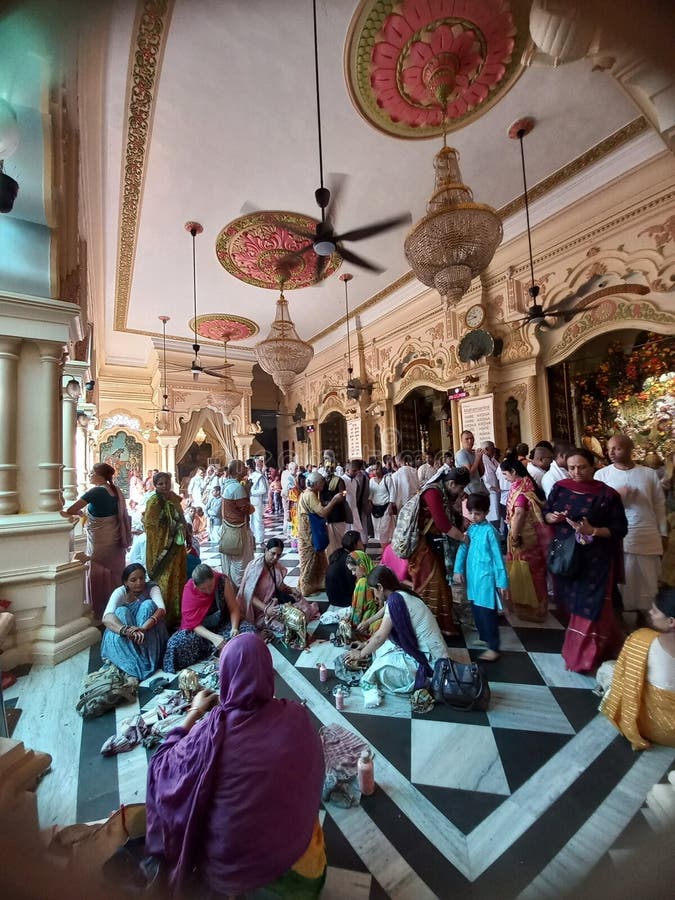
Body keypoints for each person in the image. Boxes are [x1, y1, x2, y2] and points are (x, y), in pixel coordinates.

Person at [146, 634, 326, 898]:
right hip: (307, 875)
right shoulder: (297, 716)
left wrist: (194, 713)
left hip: (237, 884)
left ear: (226, 677)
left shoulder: (211, 733)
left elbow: (161, 769)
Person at [544, 447, 628, 673]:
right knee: (570, 605)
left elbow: (619, 529)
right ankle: (607, 646)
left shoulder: (608, 495)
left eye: (582, 467)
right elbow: (547, 512)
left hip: (596, 561)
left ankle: (581, 659)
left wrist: (593, 530)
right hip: (566, 558)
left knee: (589, 606)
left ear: (593, 467)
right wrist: (551, 517)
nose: (576, 472)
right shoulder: (560, 488)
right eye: (571, 468)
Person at [594, 434, 667, 624]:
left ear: (629, 449)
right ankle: (626, 618)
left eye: (616, 448)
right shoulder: (602, 475)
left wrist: (663, 533)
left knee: (649, 578)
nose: (611, 452)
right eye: (609, 448)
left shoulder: (648, 474)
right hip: (619, 536)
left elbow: (659, 505)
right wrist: (617, 496)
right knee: (624, 578)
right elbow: (597, 508)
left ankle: (650, 615)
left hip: (646, 533)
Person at [345, 565, 448, 695]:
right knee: (380, 649)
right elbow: (384, 613)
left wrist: (360, 654)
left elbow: (380, 637)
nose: (375, 595)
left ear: (380, 587)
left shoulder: (395, 600)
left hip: (432, 661)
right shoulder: (399, 593)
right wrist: (365, 644)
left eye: (374, 591)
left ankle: (426, 679)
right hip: (431, 651)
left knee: (380, 670)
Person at [601, 586, 675, 750]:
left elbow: (628, 683)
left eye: (655, 611)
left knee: (608, 669)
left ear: (671, 621)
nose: (650, 613)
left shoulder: (642, 640)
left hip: (659, 726)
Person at [61, 462, 132, 620]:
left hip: (100, 544)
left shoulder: (95, 492)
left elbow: (70, 510)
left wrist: (80, 512)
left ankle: (101, 611)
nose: (89, 475)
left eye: (91, 472)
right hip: (115, 543)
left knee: (98, 573)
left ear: (99, 475)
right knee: (115, 574)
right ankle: (118, 608)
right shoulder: (116, 490)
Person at [407, 466, 469, 637]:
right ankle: (426, 625)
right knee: (431, 583)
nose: (461, 492)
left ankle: (442, 623)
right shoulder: (433, 492)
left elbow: (447, 515)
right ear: (451, 483)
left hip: (432, 544)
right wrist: (463, 538)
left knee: (440, 582)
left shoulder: (442, 491)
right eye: (460, 488)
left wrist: (460, 520)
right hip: (422, 547)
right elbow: (443, 524)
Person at [453, 494, 509, 661]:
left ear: (486, 512)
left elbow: (498, 559)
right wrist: (458, 570)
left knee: (486, 611)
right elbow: (463, 549)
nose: (473, 517)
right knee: (476, 610)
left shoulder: (490, 532)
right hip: (473, 577)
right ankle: (485, 637)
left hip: (486, 577)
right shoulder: (471, 529)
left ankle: (494, 646)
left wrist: (502, 582)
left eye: (477, 513)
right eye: (471, 513)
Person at [163, 563, 246, 672]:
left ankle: (225, 654)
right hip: (200, 631)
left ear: (213, 577)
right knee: (174, 644)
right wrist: (214, 638)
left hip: (222, 624)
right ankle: (216, 651)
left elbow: (233, 608)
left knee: (246, 632)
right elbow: (192, 623)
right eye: (203, 588)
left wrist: (234, 628)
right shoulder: (189, 590)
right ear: (195, 585)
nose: (208, 591)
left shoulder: (222, 582)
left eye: (210, 586)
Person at [501, 456, 550, 622]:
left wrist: (514, 537)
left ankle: (532, 609)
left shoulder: (521, 491)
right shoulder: (528, 486)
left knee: (529, 572)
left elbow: (519, 514)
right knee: (536, 571)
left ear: (514, 472)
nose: (505, 478)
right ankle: (540, 606)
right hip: (532, 536)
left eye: (506, 474)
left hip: (524, 537)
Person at [100, 563, 167, 680]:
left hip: (147, 631)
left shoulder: (152, 588)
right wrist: (125, 630)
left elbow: (162, 609)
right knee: (121, 611)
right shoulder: (119, 592)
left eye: (141, 578)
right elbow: (106, 617)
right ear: (125, 582)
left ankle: (144, 658)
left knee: (148, 605)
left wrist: (143, 628)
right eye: (133, 580)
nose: (139, 583)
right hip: (126, 634)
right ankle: (134, 659)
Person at [143, 472, 188, 630]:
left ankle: (178, 614)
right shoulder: (154, 501)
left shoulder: (174, 498)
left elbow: (181, 516)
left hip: (177, 545)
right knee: (165, 580)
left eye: (166, 483)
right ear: (155, 485)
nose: (164, 486)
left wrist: (185, 530)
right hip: (163, 548)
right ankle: (164, 615)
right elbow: (149, 525)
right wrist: (168, 524)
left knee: (178, 578)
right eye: (160, 484)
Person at [238, 538, 303, 636]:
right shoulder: (256, 567)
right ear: (266, 550)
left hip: (272, 603)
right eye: (273, 553)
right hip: (256, 610)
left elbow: (278, 586)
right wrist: (265, 609)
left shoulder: (275, 566)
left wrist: (291, 589)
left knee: (303, 608)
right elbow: (247, 594)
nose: (275, 557)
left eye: (279, 555)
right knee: (285, 626)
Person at [297, 471, 345, 595]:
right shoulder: (310, 495)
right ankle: (306, 586)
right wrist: (334, 500)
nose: (324, 485)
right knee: (310, 560)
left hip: (308, 532)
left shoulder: (309, 493)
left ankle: (318, 582)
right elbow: (322, 513)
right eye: (322, 483)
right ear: (317, 483)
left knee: (319, 557)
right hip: (309, 534)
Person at [220, 459, 254, 590]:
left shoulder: (227, 485)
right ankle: (241, 595)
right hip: (237, 530)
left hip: (228, 529)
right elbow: (247, 509)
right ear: (238, 470)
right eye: (243, 467)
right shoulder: (237, 488)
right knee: (241, 565)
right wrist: (247, 492)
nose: (246, 468)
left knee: (232, 564)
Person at [345, 550, 380, 635]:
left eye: (354, 569)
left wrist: (352, 622)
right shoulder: (375, 573)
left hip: (369, 619)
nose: (353, 573)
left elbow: (358, 610)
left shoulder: (362, 582)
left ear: (361, 565)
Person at [325, 530, 362, 607]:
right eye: (360, 540)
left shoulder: (338, 553)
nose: (362, 543)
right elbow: (351, 584)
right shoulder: (350, 559)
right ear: (356, 544)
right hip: (342, 600)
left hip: (332, 597)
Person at [368, 461, 396, 547]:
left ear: (381, 469)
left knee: (385, 530)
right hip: (375, 509)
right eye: (373, 470)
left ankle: (386, 551)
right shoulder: (371, 481)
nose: (375, 471)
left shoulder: (387, 479)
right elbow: (370, 494)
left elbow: (392, 492)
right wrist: (369, 503)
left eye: (377, 469)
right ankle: (384, 550)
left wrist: (391, 506)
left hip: (386, 507)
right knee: (378, 530)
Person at [455, 430, 487, 495]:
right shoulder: (461, 453)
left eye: (471, 438)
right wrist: (477, 458)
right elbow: (469, 473)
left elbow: (481, 473)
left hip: (478, 488)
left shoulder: (473, 453)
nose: (470, 441)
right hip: (469, 490)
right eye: (467, 439)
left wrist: (479, 457)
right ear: (461, 440)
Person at [247, 457, 269, 551]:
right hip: (249, 502)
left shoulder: (258, 476)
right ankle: (252, 540)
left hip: (256, 501)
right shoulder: (249, 476)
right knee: (250, 522)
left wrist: (251, 492)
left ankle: (260, 540)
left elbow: (263, 489)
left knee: (258, 521)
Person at [480, 440, 501, 528]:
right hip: (491, 490)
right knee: (493, 512)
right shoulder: (483, 460)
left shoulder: (490, 459)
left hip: (496, 488)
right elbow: (484, 476)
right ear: (486, 449)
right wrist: (492, 488)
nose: (494, 450)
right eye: (492, 448)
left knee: (497, 511)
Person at [281, 461, 298, 535]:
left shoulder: (292, 475)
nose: (297, 470)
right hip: (288, 497)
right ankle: (288, 532)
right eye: (295, 468)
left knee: (291, 515)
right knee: (288, 514)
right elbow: (290, 488)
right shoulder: (288, 476)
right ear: (290, 468)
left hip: (291, 497)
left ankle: (289, 531)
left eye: (297, 468)